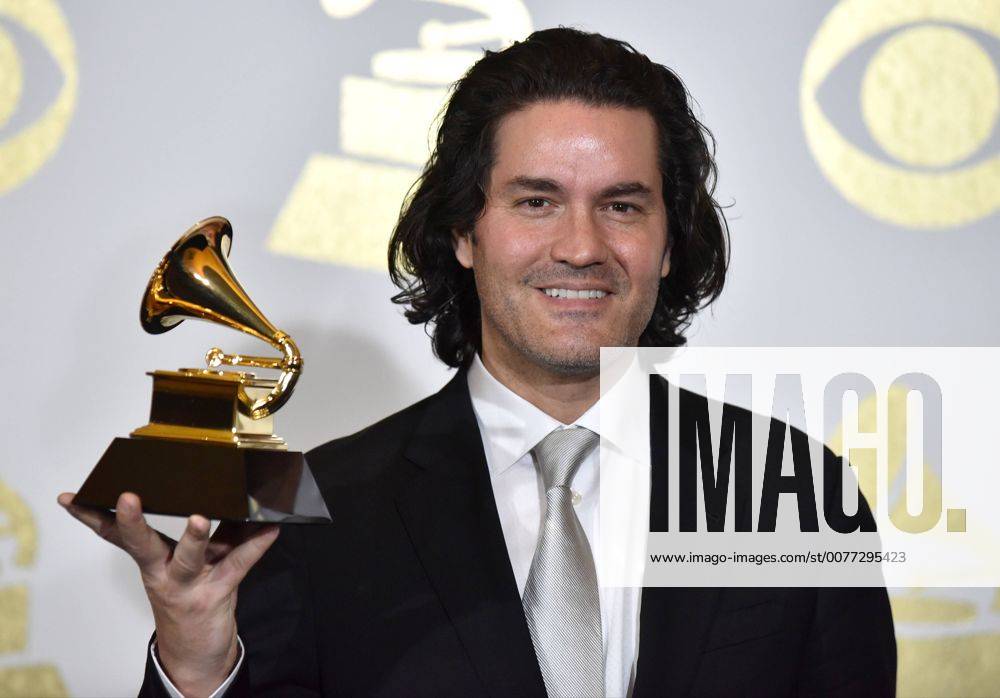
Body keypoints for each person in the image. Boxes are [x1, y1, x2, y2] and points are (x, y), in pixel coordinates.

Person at [59, 27, 896, 697]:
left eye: (623, 205)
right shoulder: (316, 512)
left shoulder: (795, 495)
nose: (581, 247)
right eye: (537, 202)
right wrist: (200, 672)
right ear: (463, 232)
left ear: (669, 242)